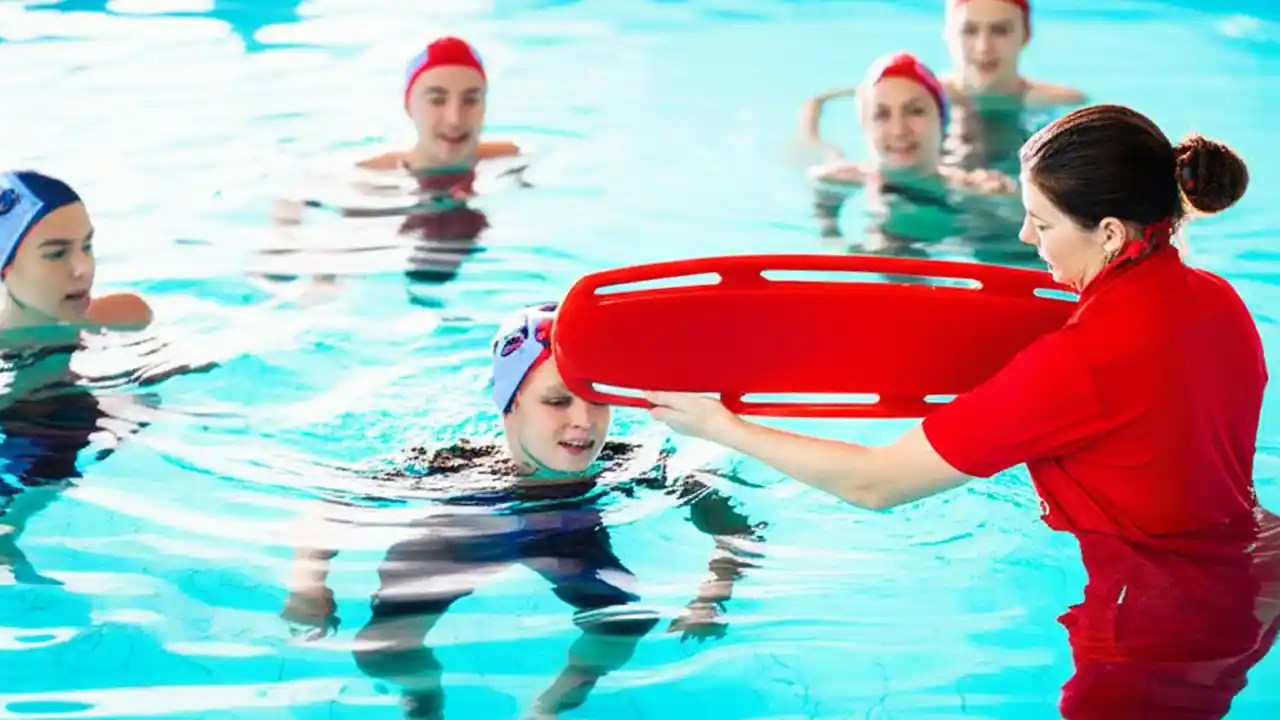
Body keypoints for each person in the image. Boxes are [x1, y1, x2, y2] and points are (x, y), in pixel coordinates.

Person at [643, 103, 1268, 717]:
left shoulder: (1080, 362)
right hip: (1247, 580)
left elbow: (876, 483)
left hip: (1150, 640)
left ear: (1108, 232)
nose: (1026, 237)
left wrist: (723, 426)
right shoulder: (1220, 302)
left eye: (1042, 224)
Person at [283, 303, 766, 720]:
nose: (582, 420)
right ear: (509, 405)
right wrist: (309, 582)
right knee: (383, 651)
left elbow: (734, 527)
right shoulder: (454, 466)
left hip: (569, 541)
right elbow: (333, 506)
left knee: (626, 621)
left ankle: (550, 706)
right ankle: (422, 694)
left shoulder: (630, 463)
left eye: (599, 401)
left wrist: (713, 590)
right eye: (557, 401)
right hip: (461, 538)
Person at [272, 36, 524, 225]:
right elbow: (295, 192)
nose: (455, 119)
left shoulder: (511, 158)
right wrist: (283, 239)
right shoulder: (375, 173)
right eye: (437, 100)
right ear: (409, 106)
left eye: (470, 100)